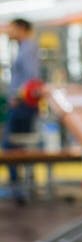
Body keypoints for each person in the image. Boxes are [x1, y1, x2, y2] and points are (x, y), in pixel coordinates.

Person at [2, 18, 41, 204]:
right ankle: (22, 188)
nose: (9, 31)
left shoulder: (28, 48)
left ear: (21, 28)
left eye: (12, 28)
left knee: (10, 147)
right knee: (18, 147)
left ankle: (19, 189)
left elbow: (31, 79)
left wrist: (18, 97)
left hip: (23, 105)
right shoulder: (23, 47)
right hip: (22, 104)